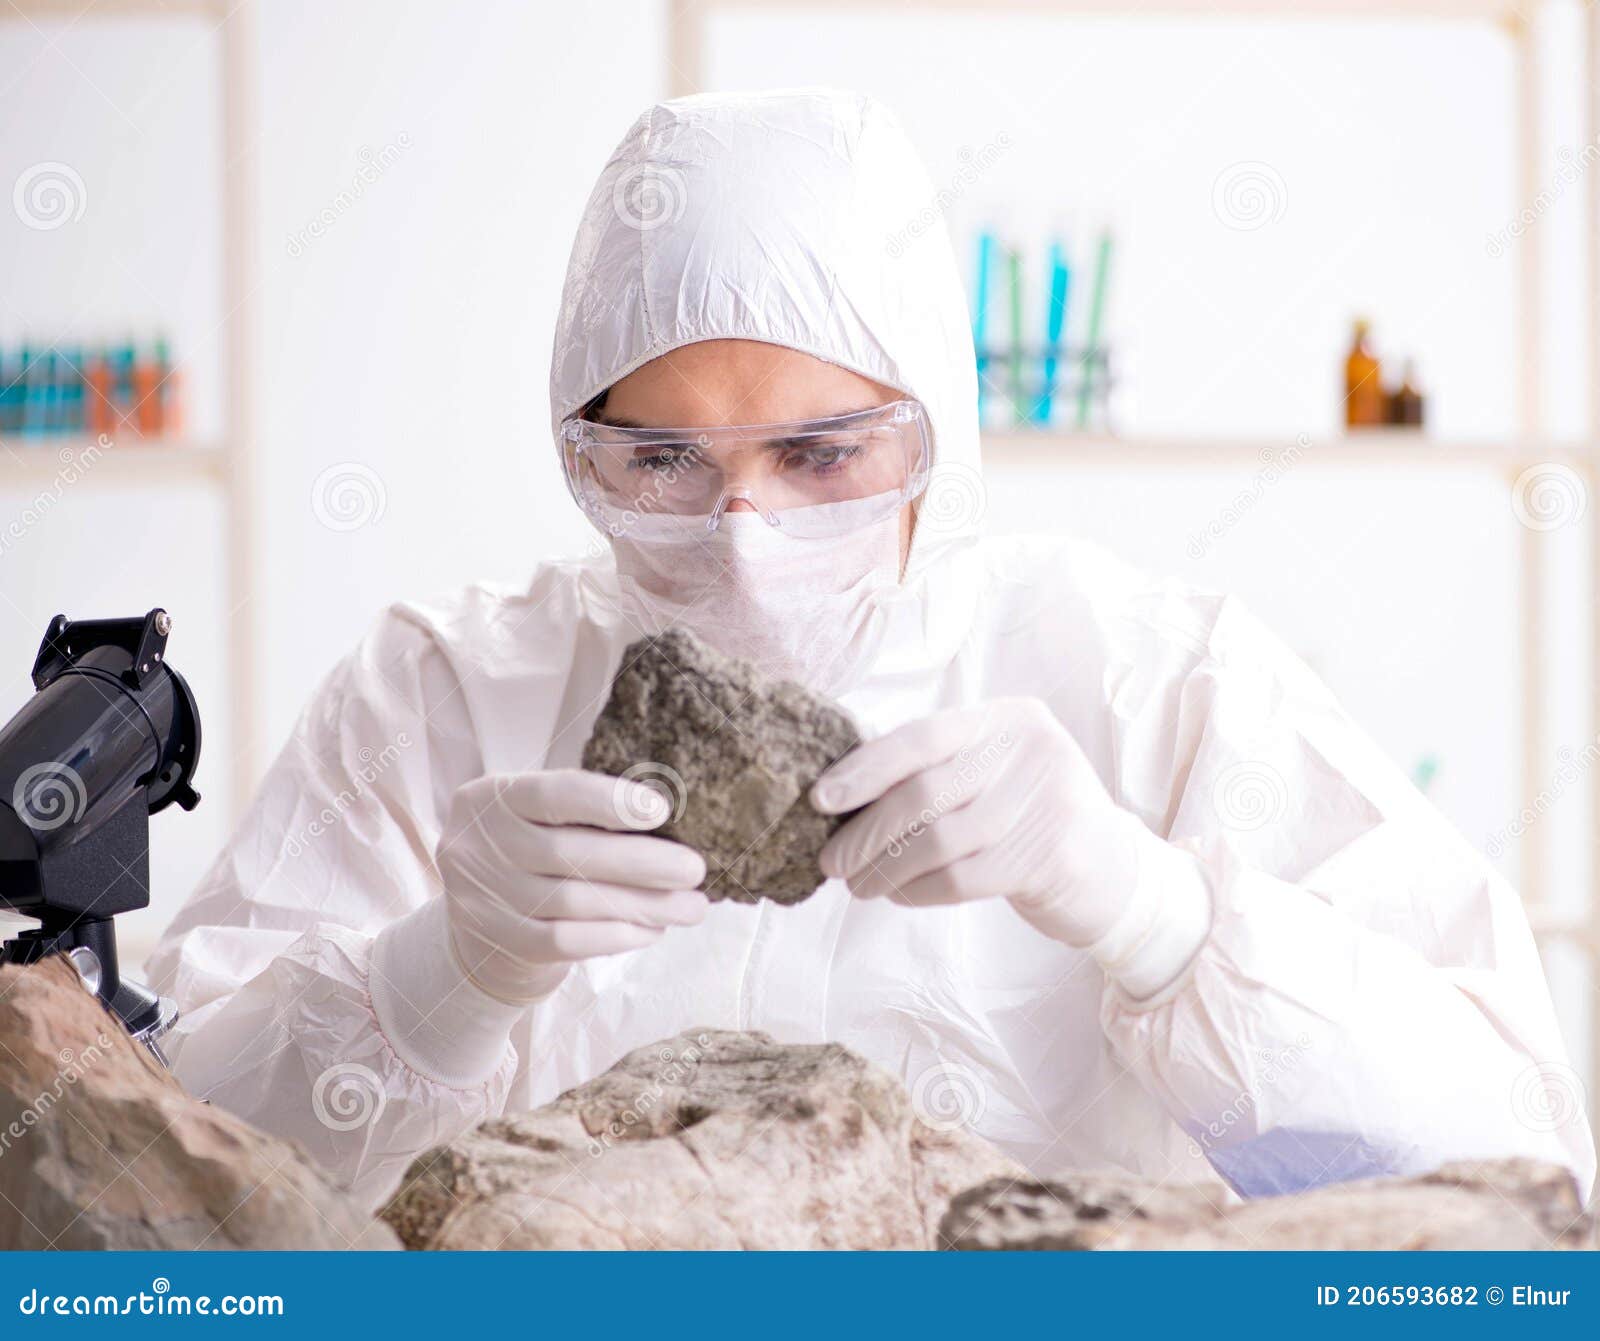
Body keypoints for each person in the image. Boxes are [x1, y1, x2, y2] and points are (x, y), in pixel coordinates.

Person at [149, 88, 1595, 1214]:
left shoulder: (1154, 679)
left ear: (933, 432)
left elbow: (1513, 1164)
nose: (743, 527)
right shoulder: (438, 698)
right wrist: (435, 974)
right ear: (574, 447)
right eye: (658, 460)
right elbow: (153, 1205)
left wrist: (1147, 909)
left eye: (822, 452)